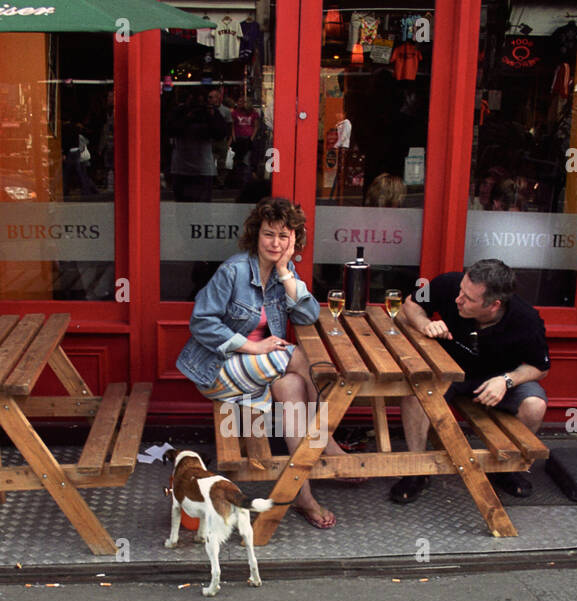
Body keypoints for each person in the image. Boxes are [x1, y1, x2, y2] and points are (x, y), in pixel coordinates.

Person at [175, 197, 353, 529]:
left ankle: (301, 494)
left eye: (284, 236)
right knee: (300, 358)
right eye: (269, 234)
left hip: (254, 372)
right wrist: (253, 348)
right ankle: (325, 440)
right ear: (256, 234)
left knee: (292, 386)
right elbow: (201, 321)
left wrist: (286, 273)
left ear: (294, 240)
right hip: (219, 368)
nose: (275, 243)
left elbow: (309, 314)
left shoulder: (283, 271)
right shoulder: (234, 270)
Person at [389, 258, 550, 503]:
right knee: (416, 395)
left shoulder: (526, 320)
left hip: (496, 379)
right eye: (461, 291)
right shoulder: (449, 283)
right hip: (447, 371)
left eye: (469, 299)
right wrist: (426, 324)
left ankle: (508, 468)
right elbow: (410, 305)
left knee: (535, 405)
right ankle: (417, 470)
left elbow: (540, 367)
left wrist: (506, 380)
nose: (458, 299)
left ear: (494, 305)